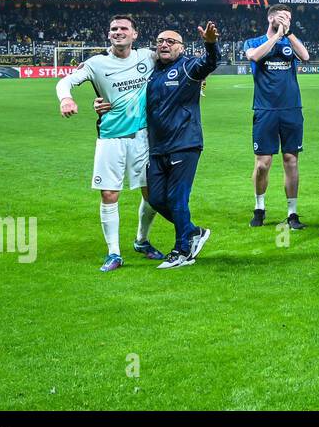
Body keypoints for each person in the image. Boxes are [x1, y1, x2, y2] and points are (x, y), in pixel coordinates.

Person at [56, 15, 163, 272]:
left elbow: (176, 61)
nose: (118, 32)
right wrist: (66, 99)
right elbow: (65, 81)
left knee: (151, 194)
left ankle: (142, 240)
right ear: (108, 34)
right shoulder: (96, 63)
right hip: (110, 137)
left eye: (124, 28)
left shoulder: (147, 57)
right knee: (109, 193)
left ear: (135, 34)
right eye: (114, 29)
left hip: (142, 137)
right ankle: (113, 252)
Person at [142, 22, 220, 269]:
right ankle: (192, 231)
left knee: (177, 198)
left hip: (184, 143)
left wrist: (210, 43)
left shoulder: (187, 67)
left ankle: (182, 251)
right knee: (155, 198)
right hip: (157, 147)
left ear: (181, 48)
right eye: (160, 41)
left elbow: (210, 63)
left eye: (171, 41)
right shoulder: (152, 71)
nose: (164, 44)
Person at [244, 4, 309, 229]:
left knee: (291, 161)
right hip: (265, 110)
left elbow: (306, 56)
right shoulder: (253, 42)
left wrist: (288, 34)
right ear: (271, 17)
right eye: (281, 16)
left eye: (289, 18)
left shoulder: (289, 41)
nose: (285, 20)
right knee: (263, 164)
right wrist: (276, 36)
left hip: (291, 109)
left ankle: (292, 213)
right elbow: (254, 56)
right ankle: (259, 208)